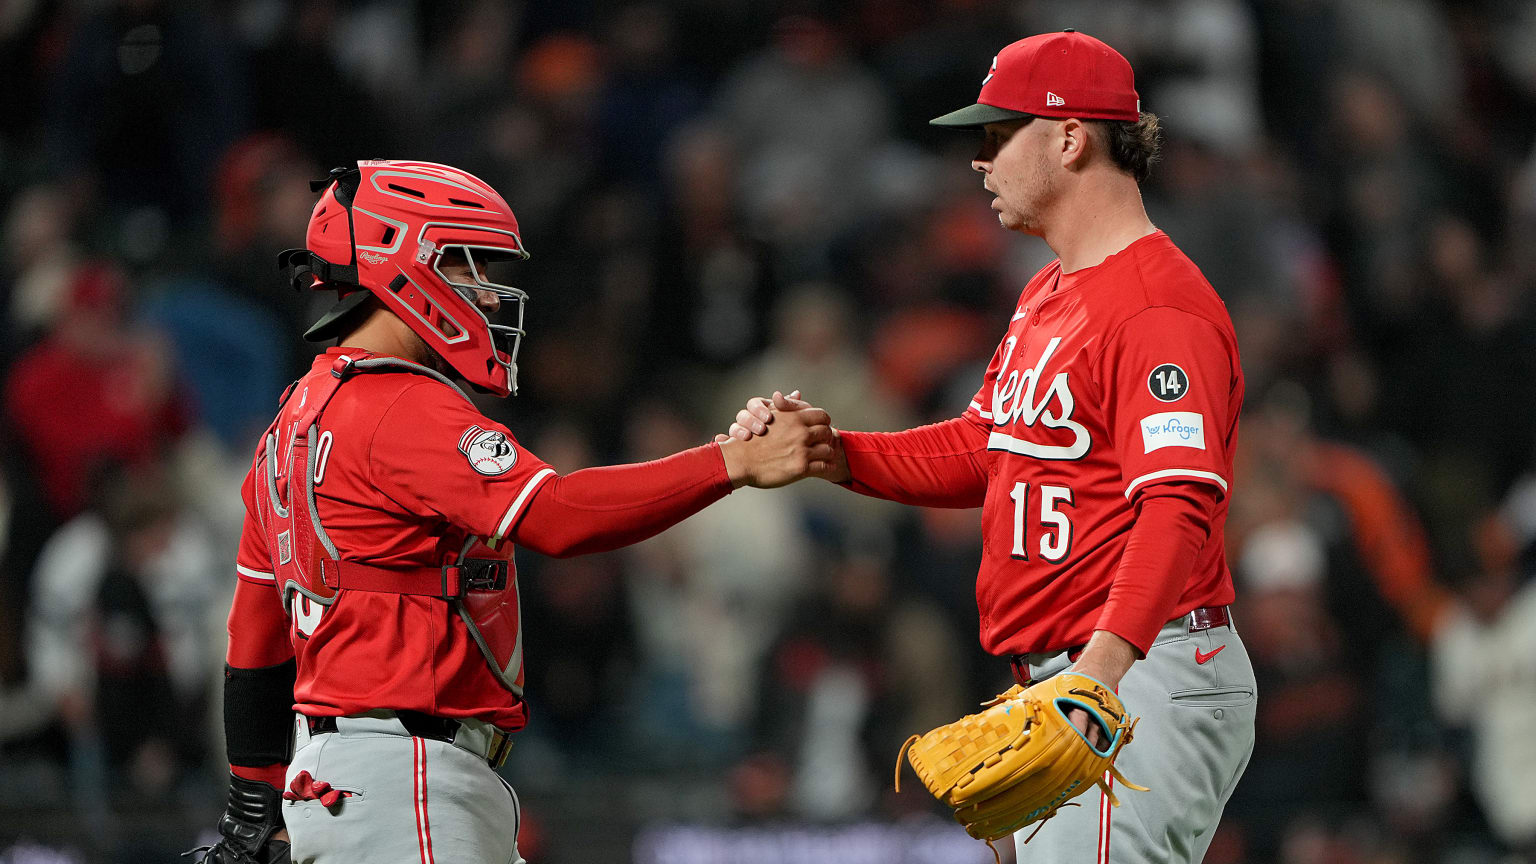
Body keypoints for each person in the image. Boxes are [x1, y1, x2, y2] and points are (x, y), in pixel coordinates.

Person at [193, 160, 834, 864]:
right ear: (402, 260)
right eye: (466, 267)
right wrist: (730, 464)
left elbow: (254, 641)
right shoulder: (401, 405)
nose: (490, 298)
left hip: (342, 783)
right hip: (408, 781)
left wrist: (252, 805)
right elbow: (557, 516)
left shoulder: (288, 426)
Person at [726, 31, 1255, 863]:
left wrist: (1100, 677)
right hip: (1064, 674)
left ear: (1072, 137)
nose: (981, 160)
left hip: (1135, 668)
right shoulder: (1049, 290)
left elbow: (1179, 502)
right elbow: (985, 447)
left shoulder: (1156, 306)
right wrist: (834, 452)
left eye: (1000, 134)